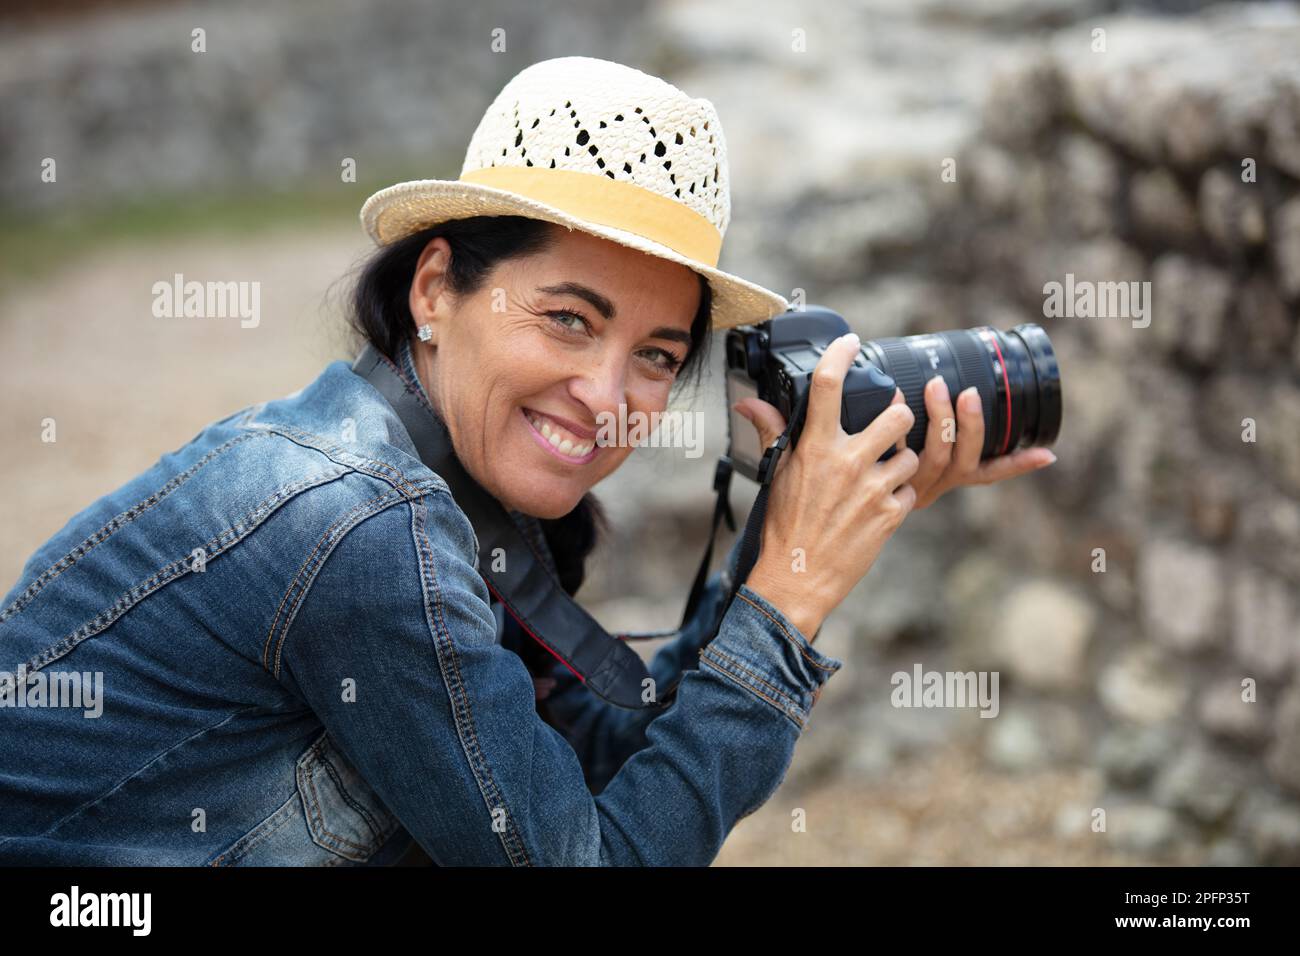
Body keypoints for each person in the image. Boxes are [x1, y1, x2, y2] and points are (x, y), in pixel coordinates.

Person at [0, 56, 1054, 866]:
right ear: (434, 288)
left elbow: (603, 758)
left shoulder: (432, 483)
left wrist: (796, 532)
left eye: (655, 355)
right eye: (564, 319)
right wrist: (790, 597)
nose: (606, 397)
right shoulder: (361, 526)